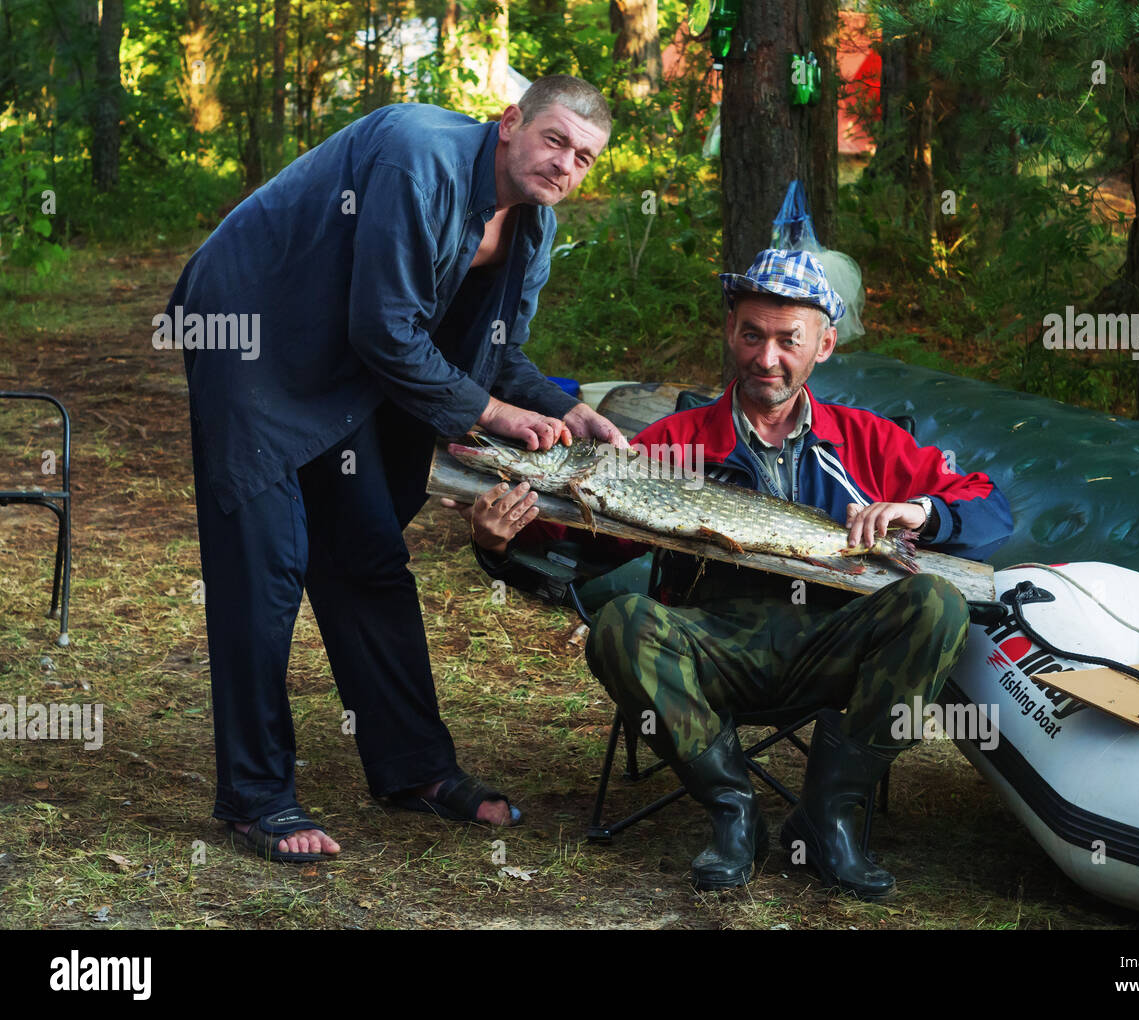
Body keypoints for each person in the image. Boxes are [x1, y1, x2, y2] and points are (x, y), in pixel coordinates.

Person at [453, 249, 1013, 897]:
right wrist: (499, 547)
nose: (766, 358)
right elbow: (571, 560)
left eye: (787, 340)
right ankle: (731, 810)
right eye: (752, 335)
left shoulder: (869, 441)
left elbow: (988, 505)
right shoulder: (672, 444)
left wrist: (920, 510)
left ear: (824, 345)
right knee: (620, 623)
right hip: (710, 653)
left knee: (936, 605)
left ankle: (829, 812)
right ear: (729, 333)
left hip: (830, 654)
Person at [165, 75, 624, 862]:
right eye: (555, 140)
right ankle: (255, 796)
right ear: (510, 122)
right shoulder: (421, 159)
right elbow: (387, 330)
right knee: (265, 567)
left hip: (340, 354)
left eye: (583, 159)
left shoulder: (532, 225)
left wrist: (560, 405)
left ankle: (414, 769)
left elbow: (495, 347)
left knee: (368, 554)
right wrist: (494, 416)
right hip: (251, 337)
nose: (565, 167)